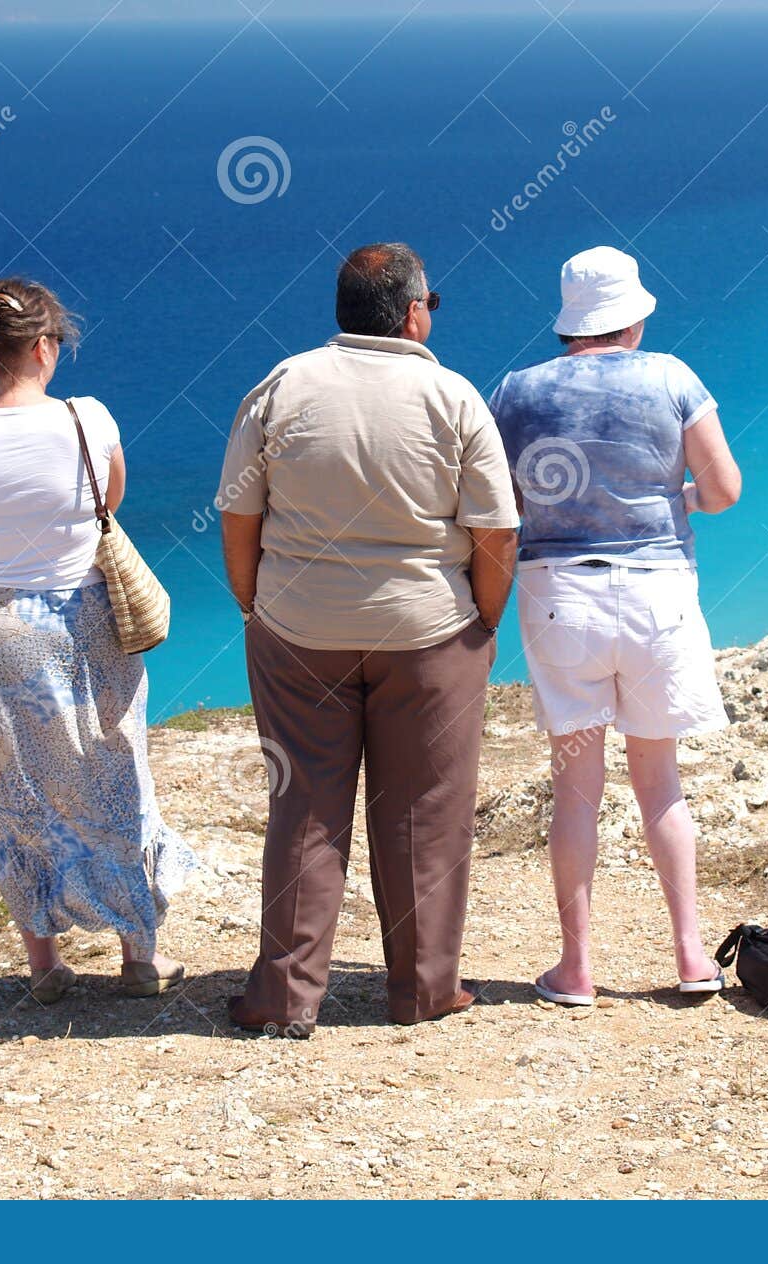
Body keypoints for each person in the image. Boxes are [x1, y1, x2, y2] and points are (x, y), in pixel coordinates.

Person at [215, 243, 519, 1036]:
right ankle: (423, 991)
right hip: (428, 631)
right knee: (427, 809)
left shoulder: (280, 386)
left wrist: (254, 604)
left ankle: (284, 998)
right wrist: (483, 622)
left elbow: (240, 513)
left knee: (304, 806)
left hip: (298, 626)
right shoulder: (452, 397)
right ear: (414, 311)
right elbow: (496, 532)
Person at [0, 277, 196, 1005]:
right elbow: (109, 501)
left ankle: (44, 966)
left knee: (15, 791)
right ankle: (140, 955)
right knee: (119, 770)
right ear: (44, 347)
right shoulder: (88, 419)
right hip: (87, 619)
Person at [488, 246, 741, 1006]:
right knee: (660, 786)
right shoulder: (672, 377)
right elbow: (724, 489)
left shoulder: (516, 390)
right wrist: (673, 503)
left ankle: (576, 967)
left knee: (577, 792)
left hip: (558, 592)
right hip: (657, 591)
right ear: (632, 319)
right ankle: (693, 956)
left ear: (571, 321)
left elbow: (498, 507)